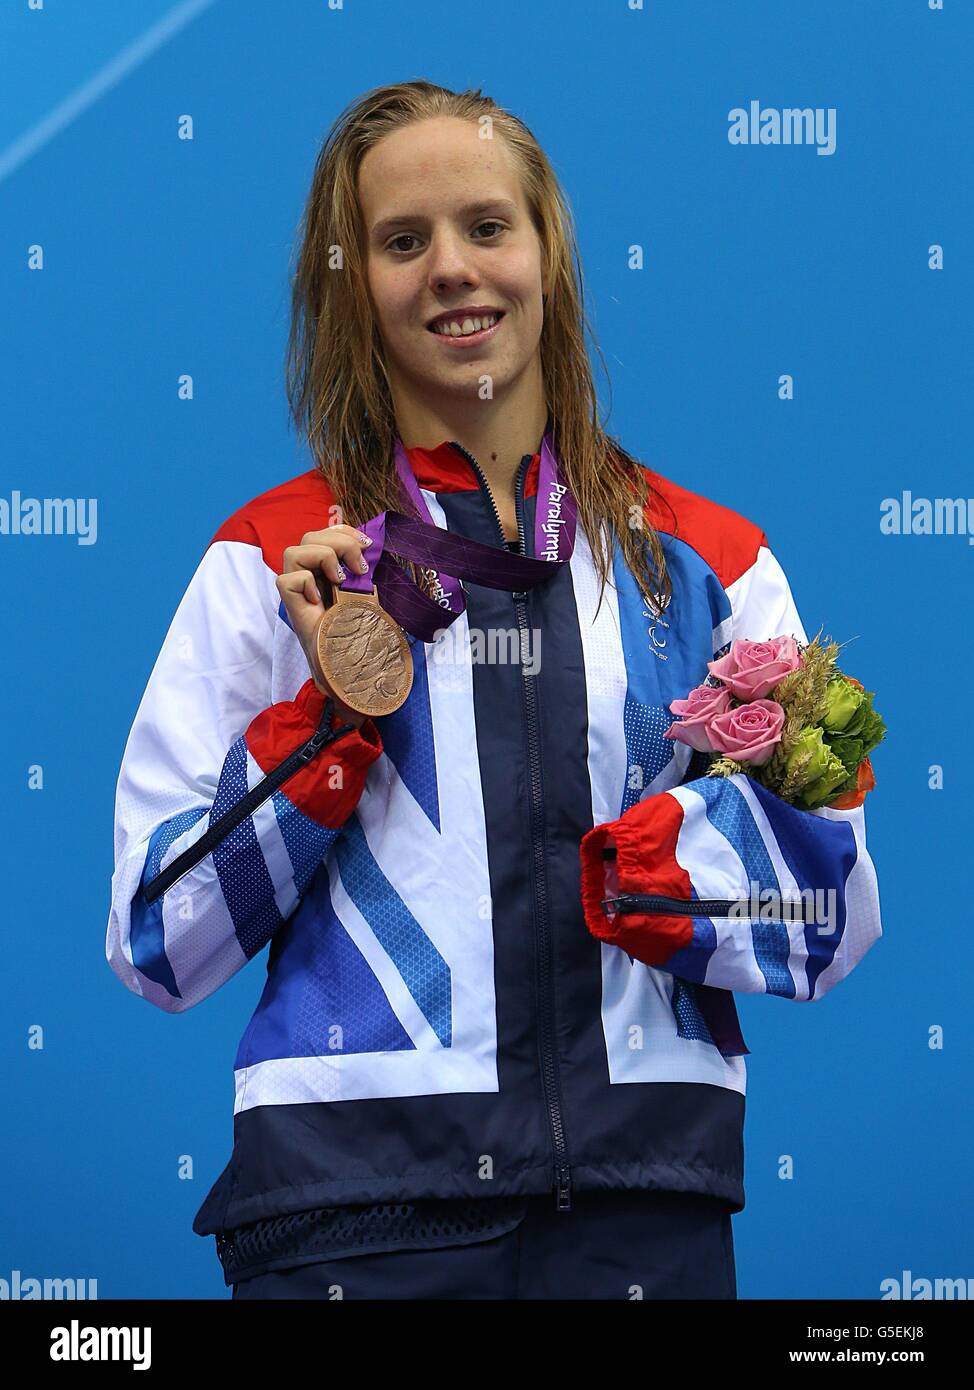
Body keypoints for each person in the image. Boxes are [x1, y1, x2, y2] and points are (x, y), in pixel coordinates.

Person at [104, 80, 882, 1300]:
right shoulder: (275, 558)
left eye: (484, 228)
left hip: (644, 1214)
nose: (452, 270)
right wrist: (332, 725)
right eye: (402, 241)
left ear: (547, 255)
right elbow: (156, 943)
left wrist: (640, 868)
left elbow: (831, 919)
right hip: (350, 1219)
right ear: (348, 282)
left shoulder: (706, 561)